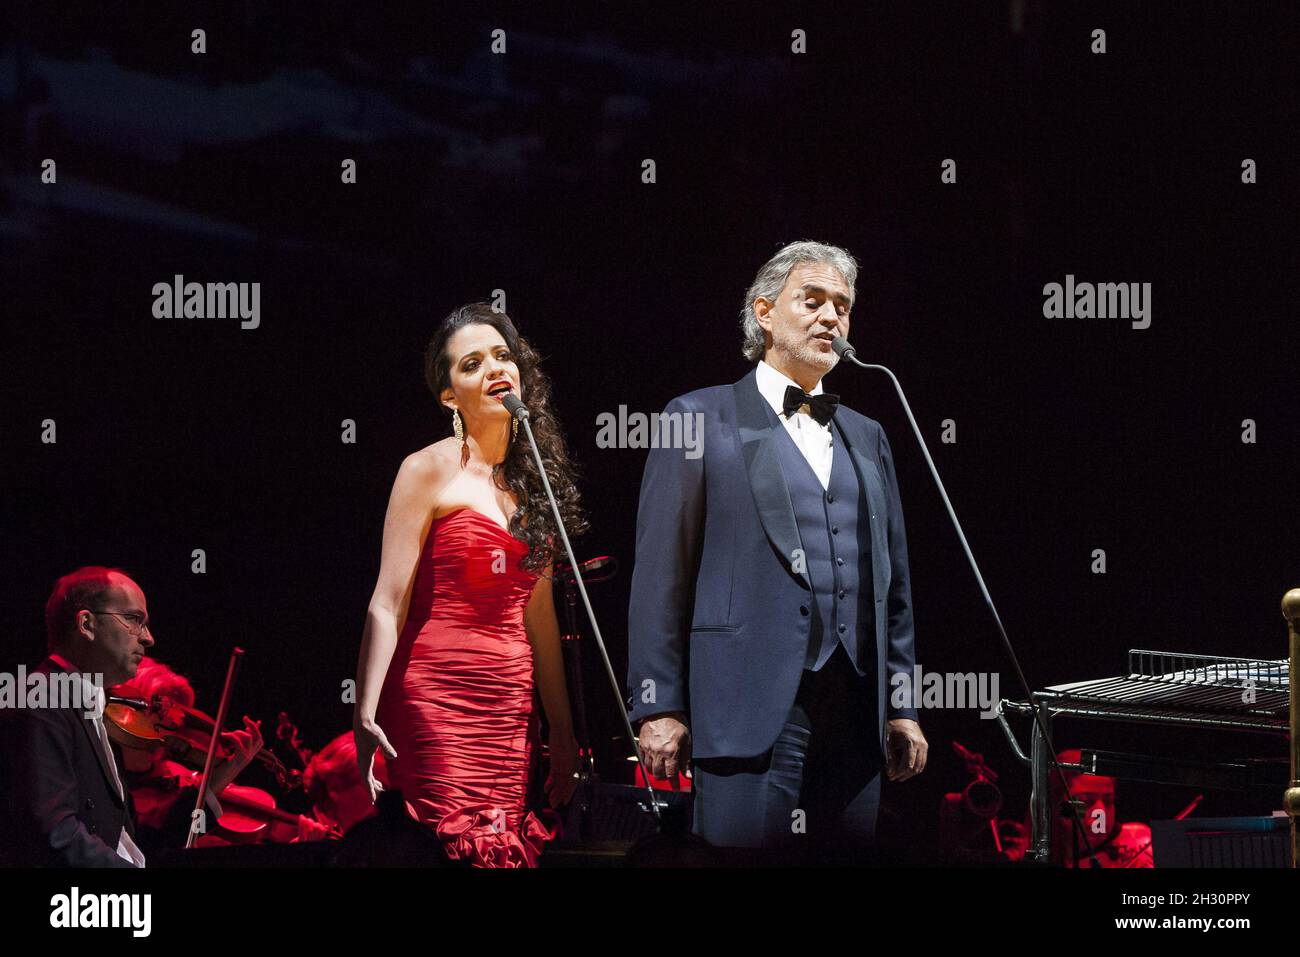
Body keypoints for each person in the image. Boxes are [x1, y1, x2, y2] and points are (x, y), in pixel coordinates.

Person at [628, 241, 928, 856]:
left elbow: (891, 587)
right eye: (811, 301)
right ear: (764, 313)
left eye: (842, 307)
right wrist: (657, 705)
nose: (831, 318)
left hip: (854, 712)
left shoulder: (868, 436)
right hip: (744, 707)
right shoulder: (697, 418)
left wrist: (903, 706)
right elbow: (661, 575)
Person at [354, 303, 583, 867]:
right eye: (472, 363)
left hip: (509, 700)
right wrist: (364, 712)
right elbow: (388, 601)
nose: (494, 369)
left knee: (505, 843)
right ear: (450, 396)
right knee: (460, 844)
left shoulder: (536, 486)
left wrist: (562, 729)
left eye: (503, 357)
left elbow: (541, 617)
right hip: (436, 691)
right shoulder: (428, 469)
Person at [0, 567, 154, 866]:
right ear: (86, 623)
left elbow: (120, 837)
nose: (148, 638)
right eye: (135, 620)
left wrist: (210, 791)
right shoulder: (39, 698)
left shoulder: (86, 704)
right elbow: (55, 835)